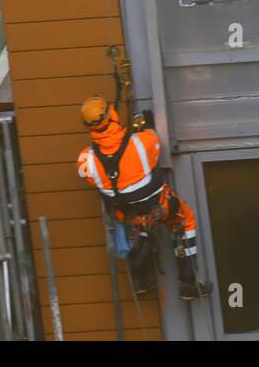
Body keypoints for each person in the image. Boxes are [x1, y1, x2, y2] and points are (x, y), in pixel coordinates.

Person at [76, 96, 211, 301]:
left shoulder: (86, 159)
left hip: (129, 217)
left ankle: (141, 276)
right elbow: (155, 146)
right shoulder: (139, 143)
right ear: (112, 115)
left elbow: (91, 178)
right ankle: (188, 281)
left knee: (141, 227)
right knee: (184, 221)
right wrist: (147, 126)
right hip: (161, 207)